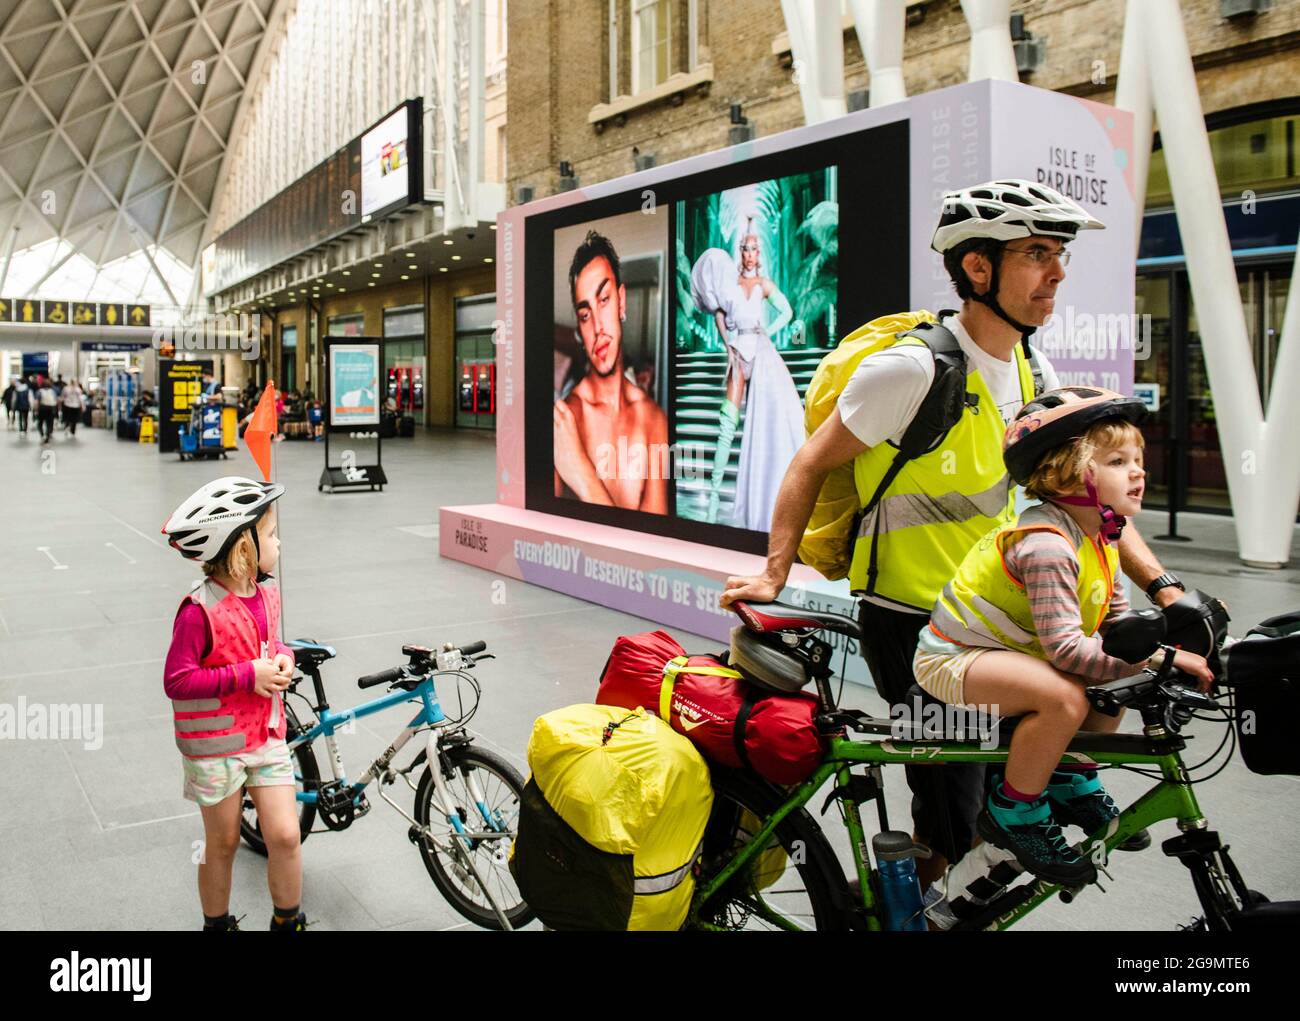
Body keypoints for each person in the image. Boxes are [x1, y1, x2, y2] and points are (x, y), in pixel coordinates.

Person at [722, 179, 1192, 887]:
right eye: (1037, 253)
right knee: (952, 811)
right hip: (914, 629)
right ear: (978, 268)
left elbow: (1083, 503)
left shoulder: (1036, 371)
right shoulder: (914, 369)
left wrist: (1163, 584)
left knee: (1074, 732)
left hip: (1001, 619)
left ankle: (968, 873)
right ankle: (919, 899)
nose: (1057, 271)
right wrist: (774, 572)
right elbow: (810, 462)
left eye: (1058, 254)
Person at [914, 387, 1214, 884]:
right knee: (1064, 701)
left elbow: (1115, 630)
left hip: (1010, 654)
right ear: (1065, 471)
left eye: (1138, 458)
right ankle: (1015, 811)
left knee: (1113, 675)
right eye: (1118, 461)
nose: (1139, 471)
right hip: (954, 658)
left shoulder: (1101, 535)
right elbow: (1068, 650)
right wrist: (1163, 661)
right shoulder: (1046, 545)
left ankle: (1069, 778)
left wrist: (1158, 649)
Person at [161, 477, 307, 932]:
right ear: (242, 546)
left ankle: (289, 921)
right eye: (269, 534)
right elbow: (177, 680)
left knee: (285, 834)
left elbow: (271, 642)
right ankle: (217, 924)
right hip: (217, 748)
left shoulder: (267, 594)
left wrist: (282, 658)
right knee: (221, 843)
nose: (278, 541)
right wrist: (248, 674)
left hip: (266, 735)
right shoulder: (197, 610)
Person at [691, 222, 804, 530]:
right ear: (739, 252)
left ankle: (775, 492)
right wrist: (728, 347)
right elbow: (718, 315)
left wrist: (770, 331)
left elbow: (788, 312)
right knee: (728, 421)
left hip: (762, 352)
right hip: (740, 352)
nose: (749, 253)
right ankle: (714, 494)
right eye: (745, 248)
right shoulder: (730, 284)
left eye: (754, 248)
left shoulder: (765, 285)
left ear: (759, 253)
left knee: (772, 420)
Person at [553, 229, 669, 513]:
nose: (598, 328)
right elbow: (546, 537)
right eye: (584, 314)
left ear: (621, 300)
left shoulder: (653, 419)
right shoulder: (566, 422)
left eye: (603, 300)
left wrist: (581, 471)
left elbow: (652, 545)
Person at [34, 376, 58, 443]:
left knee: (40, 423)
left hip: (42, 408)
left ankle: (42, 435)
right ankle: (47, 435)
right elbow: (55, 400)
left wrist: (36, 410)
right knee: (49, 423)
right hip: (51, 408)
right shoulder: (52, 391)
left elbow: (36, 402)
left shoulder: (39, 391)